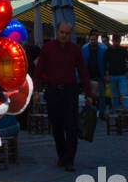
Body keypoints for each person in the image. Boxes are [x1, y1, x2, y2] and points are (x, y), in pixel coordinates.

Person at [33, 20, 93, 170]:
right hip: (53, 91)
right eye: (62, 32)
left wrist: (88, 93)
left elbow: (84, 72)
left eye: (67, 33)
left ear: (70, 34)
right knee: (57, 127)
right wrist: (36, 91)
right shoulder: (47, 48)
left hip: (70, 91)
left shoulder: (75, 49)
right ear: (57, 31)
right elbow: (38, 72)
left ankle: (69, 160)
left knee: (71, 127)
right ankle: (62, 156)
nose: (64, 35)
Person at [103, 34, 128, 112]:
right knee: (116, 96)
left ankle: (124, 111)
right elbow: (104, 63)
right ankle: (118, 112)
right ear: (112, 41)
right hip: (113, 76)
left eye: (118, 41)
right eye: (115, 41)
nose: (116, 43)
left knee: (123, 95)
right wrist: (106, 74)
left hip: (121, 75)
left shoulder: (122, 50)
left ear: (119, 41)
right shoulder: (109, 51)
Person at [81, 29, 107, 116]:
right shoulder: (84, 49)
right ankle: (89, 113)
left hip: (100, 75)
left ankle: (101, 113)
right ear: (89, 40)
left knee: (101, 96)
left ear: (97, 39)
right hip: (88, 76)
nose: (93, 41)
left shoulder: (103, 48)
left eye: (94, 39)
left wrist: (106, 73)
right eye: (91, 40)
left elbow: (107, 62)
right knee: (88, 95)